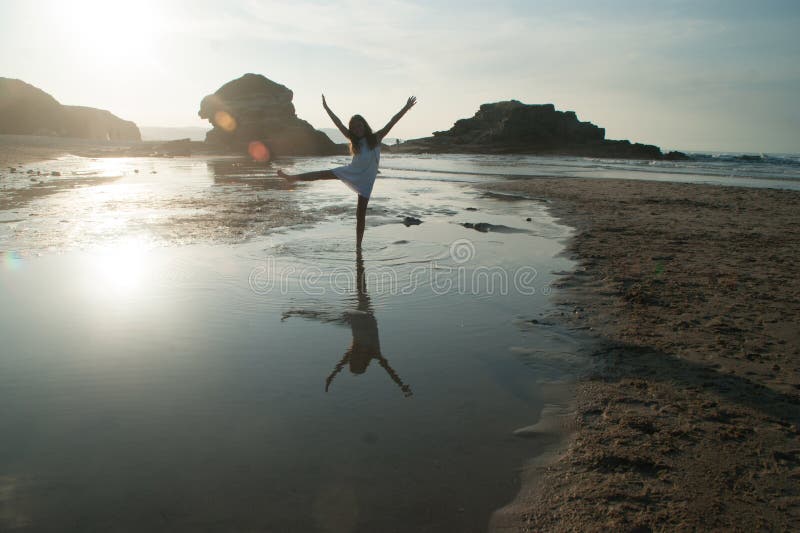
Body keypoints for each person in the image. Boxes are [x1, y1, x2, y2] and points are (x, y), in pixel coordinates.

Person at [278, 94, 417, 250]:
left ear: (364, 125)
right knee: (321, 174)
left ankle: (358, 246)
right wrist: (326, 108)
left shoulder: (376, 138)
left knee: (360, 215)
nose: (357, 129)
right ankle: (292, 178)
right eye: (354, 127)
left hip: (366, 181)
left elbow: (393, 121)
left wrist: (406, 107)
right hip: (351, 171)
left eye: (359, 126)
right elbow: (338, 124)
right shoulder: (355, 141)